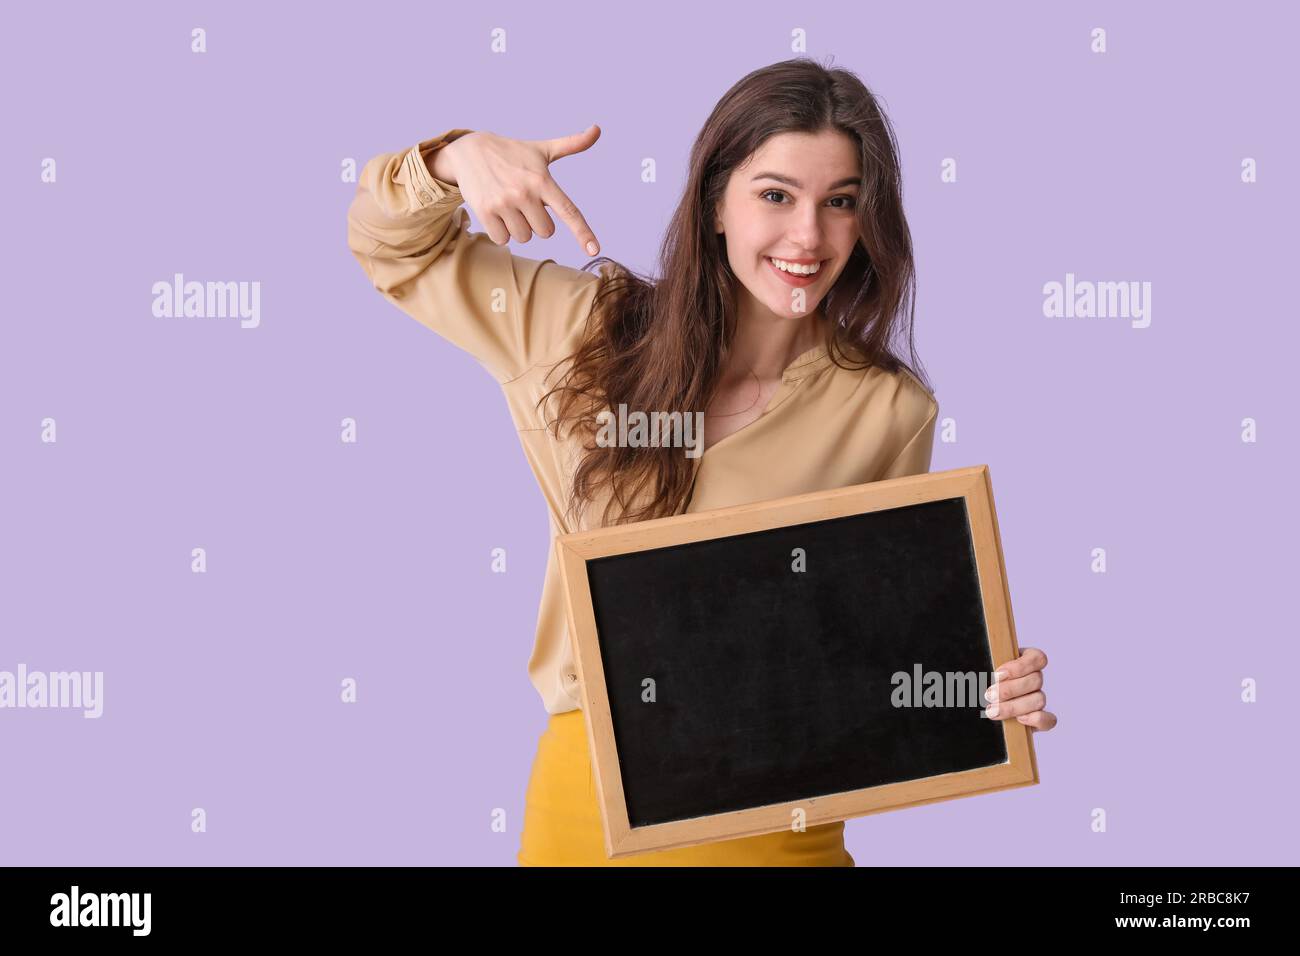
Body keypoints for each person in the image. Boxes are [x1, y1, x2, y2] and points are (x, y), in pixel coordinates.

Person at [346, 57, 1057, 867]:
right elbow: (389, 248)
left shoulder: (888, 413)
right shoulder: (575, 329)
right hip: (586, 810)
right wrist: (451, 159)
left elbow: (863, 657)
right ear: (716, 204)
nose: (808, 238)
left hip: (778, 826)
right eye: (776, 195)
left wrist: (975, 688)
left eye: (841, 204)